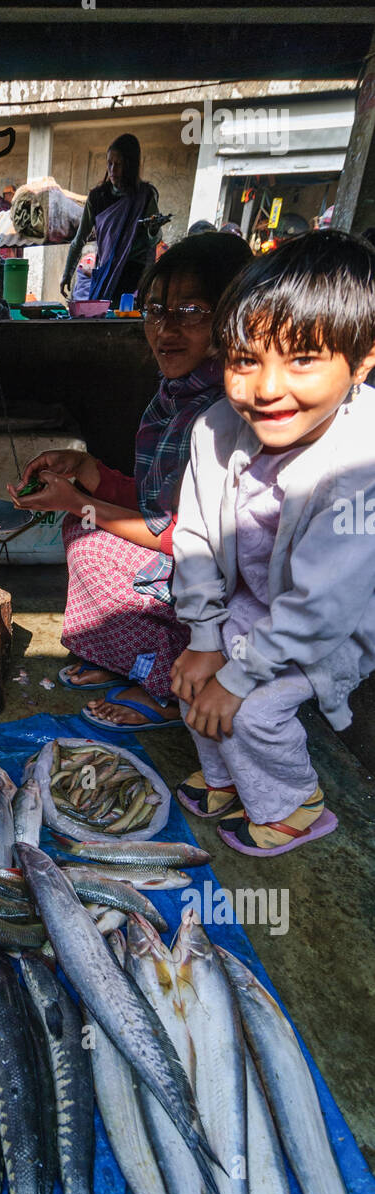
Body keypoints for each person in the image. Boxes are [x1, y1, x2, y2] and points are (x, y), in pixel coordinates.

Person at [170, 229, 375, 855]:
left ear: (364, 359)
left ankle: (294, 805)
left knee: (255, 712)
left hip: (338, 628)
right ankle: (230, 779)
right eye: (245, 359)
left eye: (303, 359)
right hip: (257, 608)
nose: (265, 387)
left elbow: (325, 606)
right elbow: (198, 538)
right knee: (190, 678)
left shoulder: (362, 463)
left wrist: (241, 675)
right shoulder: (216, 428)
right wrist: (206, 639)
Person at [9, 232, 253, 728]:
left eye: (191, 311)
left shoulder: (224, 412)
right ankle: (129, 662)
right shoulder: (175, 395)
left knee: (95, 545)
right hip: (181, 547)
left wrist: (78, 502)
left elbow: (180, 535)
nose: (167, 329)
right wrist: (86, 471)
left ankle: (170, 688)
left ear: (233, 317)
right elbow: (152, 500)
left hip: (222, 580)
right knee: (84, 531)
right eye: (156, 311)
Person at [62, 134, 163, 307]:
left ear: (130, 166)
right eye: (109, 163)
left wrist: (153, 229)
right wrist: (67, 273)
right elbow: (79, 239)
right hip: (105, 273)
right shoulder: (97, 197)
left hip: (134, 277)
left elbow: (153, 240)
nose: (112, 170)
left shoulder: (145, 196)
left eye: (118, 164)